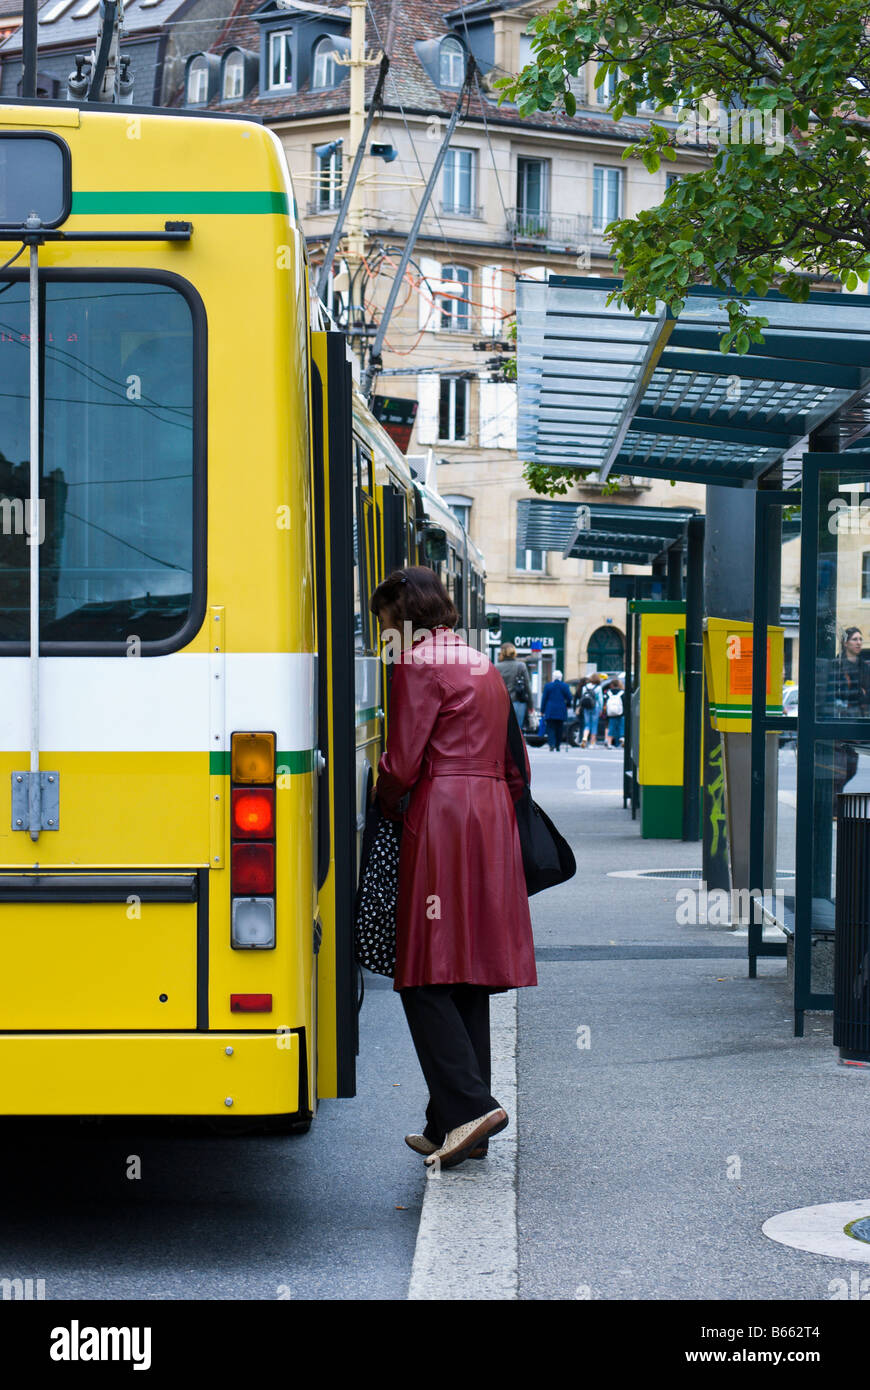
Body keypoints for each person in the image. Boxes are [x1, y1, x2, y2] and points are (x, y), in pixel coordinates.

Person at [371, 567, 537, 1169]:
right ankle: (453, 1125)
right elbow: (516, 767)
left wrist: (382, 798)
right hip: (488, 817)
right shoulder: (480, 662)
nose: (384, 634)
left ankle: (470, 1106)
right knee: (464, 971)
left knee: (422, 971)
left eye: (386, 622)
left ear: (404, 616)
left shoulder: (416, 664)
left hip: (442, 818)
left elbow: (403, 762)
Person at [827, 627, 870, 798]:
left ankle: (834, 803)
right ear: (845, 643)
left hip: (856, 724)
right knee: (839, 772)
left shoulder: (863, 667)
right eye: (855, 639)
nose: (859, 642)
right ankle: (834, 807)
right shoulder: (838, 666)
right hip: (840, 724)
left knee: (851, 770)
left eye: (860, 639)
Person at [496, 641, 532, 733]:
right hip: (518, 702)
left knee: (503, 732)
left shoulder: (497, 667)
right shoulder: (521, 666)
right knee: (517, 732)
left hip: (501, 704)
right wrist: (531, 705)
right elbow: (527, 686)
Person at [540, 668, 573, 751]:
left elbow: (544, 699)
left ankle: (552, 744)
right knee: (559, 728)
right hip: (561, 709)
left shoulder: (548, 686)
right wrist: (568, 705)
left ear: (553, 677)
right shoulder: (565, 686)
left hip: (550, 709)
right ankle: (558, 745)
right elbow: (569, 697)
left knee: (550, 728)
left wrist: (542, 710)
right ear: (561, 677)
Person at [576, 673, 603, 748]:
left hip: (586, 707)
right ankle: (592, 743)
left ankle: (584, 738)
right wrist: (601, 709)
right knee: (594, 725)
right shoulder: (598, 688)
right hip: (595, 707)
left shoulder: (585, 687)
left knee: (587, 725)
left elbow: (582, 697)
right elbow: (600, 699)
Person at [604, 679, 625, 749]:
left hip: (611, 713)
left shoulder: (609, 692)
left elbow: (605, 702)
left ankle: (609, 743)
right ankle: (621, 740)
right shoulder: (622, 692)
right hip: (620, 713)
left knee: (611, 728)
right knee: (621, 728)